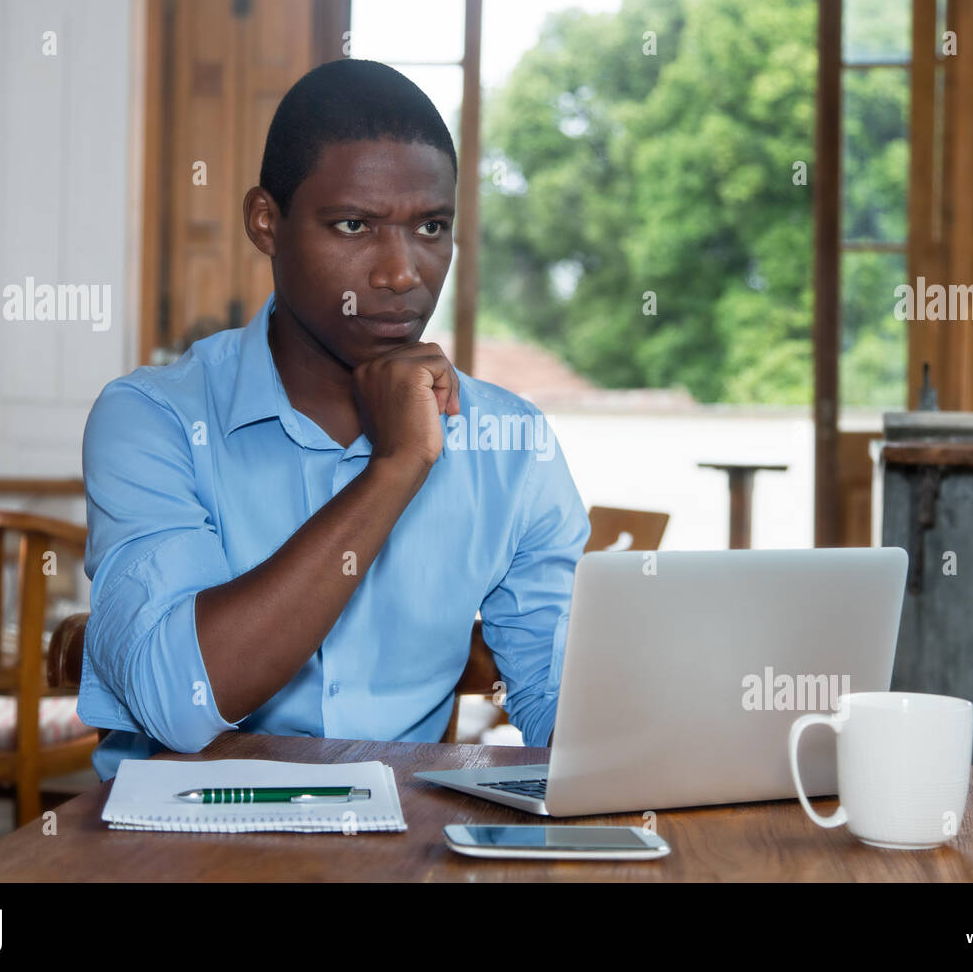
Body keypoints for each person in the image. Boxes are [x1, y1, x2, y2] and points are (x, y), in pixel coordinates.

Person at [78, 59, 590, 780]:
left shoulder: (512, 444)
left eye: (431, 227)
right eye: (354, 225)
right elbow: (178, 703)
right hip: (179, 846)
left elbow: (566, 707)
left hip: (404, 845)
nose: (401, 272)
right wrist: (396, 467)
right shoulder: (152, 418)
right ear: (266, 222)